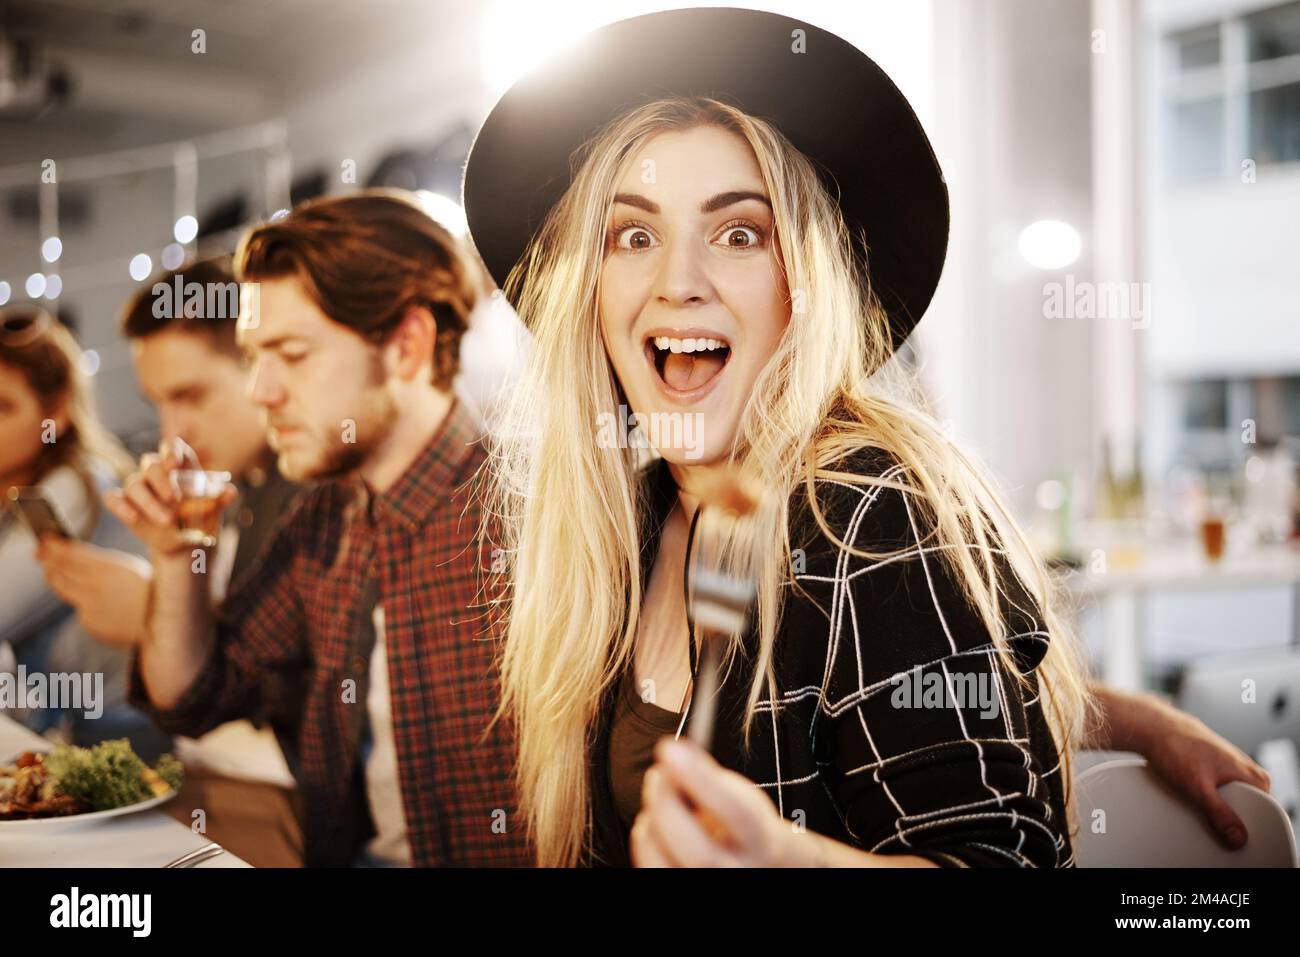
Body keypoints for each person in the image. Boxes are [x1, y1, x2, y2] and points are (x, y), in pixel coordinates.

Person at [462, 7, 1269, 867]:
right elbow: (893, 690)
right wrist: (1093, 705)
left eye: (739, 233)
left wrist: (781, 861)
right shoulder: (630, 517)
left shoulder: (872, 509)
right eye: (635, 235)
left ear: (802, 286)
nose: (679, 282)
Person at [104, 190, 531, 867]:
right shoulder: (325, 519)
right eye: (255, 355)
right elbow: (193, 695)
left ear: (407, 345)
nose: (260, 389)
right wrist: (175, 555)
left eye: (292, 354)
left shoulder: (528, 518)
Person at [37, 257, 305, 867]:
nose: (173, 433)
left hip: (270, 802)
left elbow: (266, 686)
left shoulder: (306, 499)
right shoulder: (231, 495)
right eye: (157, 403)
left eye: (190, 395)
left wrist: (148, 612)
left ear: (258, 365)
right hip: (197, 779)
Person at [0, 305, 159, 751]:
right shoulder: (20, 484)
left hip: (122, 739)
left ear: (57, 414)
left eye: (3, 407)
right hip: (65, 725)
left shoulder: (76, 485)